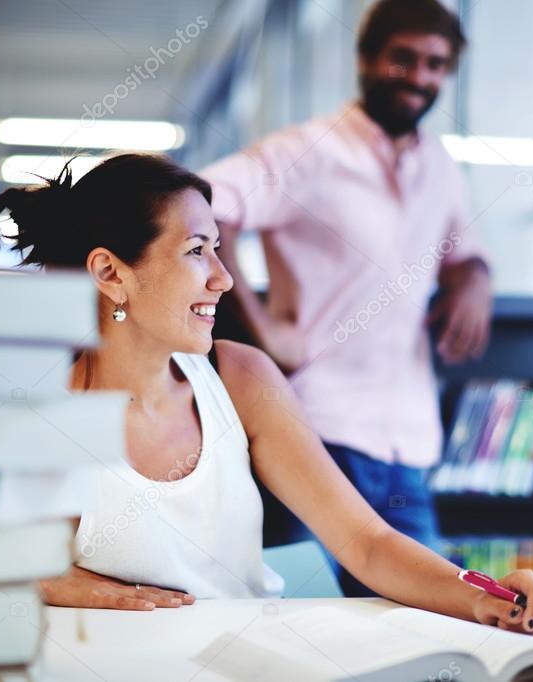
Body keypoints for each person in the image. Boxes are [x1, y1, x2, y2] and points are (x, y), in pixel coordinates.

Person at [0, 153, 533, 635]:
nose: (223, 278)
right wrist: (28, 574)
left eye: (217, 249)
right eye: (195, 250)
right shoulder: (42, 410)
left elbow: (366, 541)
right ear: (111, 272)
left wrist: (480, 595)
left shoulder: (241, 380)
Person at [201, 0, 492, 595]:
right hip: (315, 431)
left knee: (430, 621)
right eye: (403, 58)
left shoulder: (441, 167)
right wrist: (256, 325)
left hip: (409, 446)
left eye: (435, 64)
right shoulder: (308, 151)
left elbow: (466, 250)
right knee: (308, 629)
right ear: (366, 59)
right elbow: (203, 200)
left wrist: (476, 280)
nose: (419, 76)